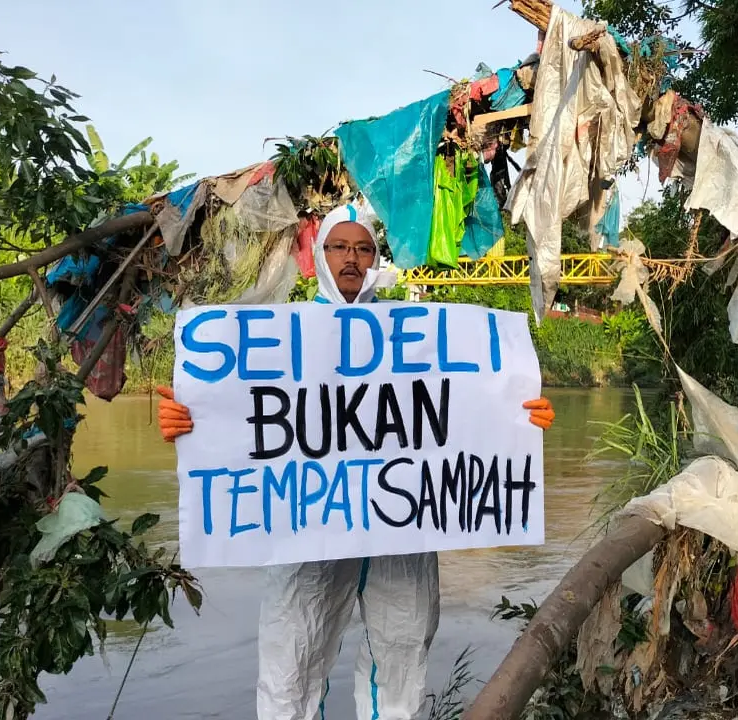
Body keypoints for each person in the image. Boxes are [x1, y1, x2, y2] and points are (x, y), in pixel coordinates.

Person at [155, 203, 555, 720]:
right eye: (339, 247)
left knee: (402, 657)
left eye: (363, 248)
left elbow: (464, 405)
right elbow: (241, 417)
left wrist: (518, 418)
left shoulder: (416, 339)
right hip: (307, 531)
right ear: (319, 255)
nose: (352, 258)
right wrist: (193, 420)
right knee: (291, 662)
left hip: (402, 531)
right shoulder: (280, 341)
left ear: (375, 258)